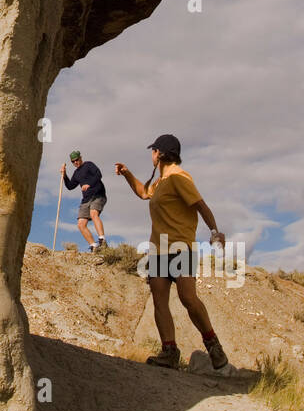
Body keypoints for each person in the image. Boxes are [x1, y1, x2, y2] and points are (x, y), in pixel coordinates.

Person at [115, 133, 228, 370]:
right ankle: (169, 352)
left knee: (188, 298)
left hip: (179, 247)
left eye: (153, 151)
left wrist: (215, 231)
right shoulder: (160, 183)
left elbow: (201, 205)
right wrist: (127, 174)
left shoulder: (179, 177)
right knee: (159, 300)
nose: (151, 155)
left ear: (161, 153)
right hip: (158, 250)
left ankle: (213, 346)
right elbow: (143, 193)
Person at [60, 150, 107, 252]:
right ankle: (94, 246)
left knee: (93, 213)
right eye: (73, 161)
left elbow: (98, 174)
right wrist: (64, 175)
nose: (75, 162)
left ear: (80, 158)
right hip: (86, 200)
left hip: (98, 194)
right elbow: (70, 186)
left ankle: (102, 240)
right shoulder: (76, 173)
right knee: (81, 224)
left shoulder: (89, 165)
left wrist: (89, 184)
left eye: (77, 160)